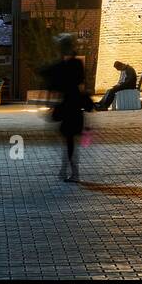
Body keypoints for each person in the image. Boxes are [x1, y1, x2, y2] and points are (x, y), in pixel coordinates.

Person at [39, 34, 91, 182]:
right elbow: (80, 83)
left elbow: (51, 82)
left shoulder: (62, 66)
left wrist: (49, 101)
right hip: (75, 104)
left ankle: (71, 171)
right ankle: (69, 170)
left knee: (68, 139)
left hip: (67, 105)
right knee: (70, 139)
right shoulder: (76, 64)